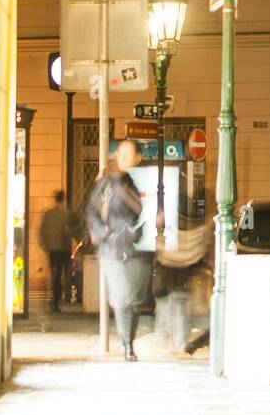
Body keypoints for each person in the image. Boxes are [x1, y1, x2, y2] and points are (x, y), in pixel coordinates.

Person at [84, 138, 151, 361]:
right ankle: (127, 345)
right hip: (111, 248)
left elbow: (141, 214)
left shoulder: (133, 182)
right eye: (121, 153)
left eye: (128, 154)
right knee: (122, 295)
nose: (123, 157)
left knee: (135, 300)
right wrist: (105, 234)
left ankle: (129, 343)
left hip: (131, 247)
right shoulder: (105, 183)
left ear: (137, 159)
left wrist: (136, 232)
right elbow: (91, 212)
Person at [154, 223, 209, 354]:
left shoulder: (164, 242)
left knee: (166, 316)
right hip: (174, 285)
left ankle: (166, 345)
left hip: (169, 285)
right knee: (174, 316)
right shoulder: (188, 245)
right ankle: (178, 346)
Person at [39, 190, 77, 312]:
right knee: (62, 275)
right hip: (64, 249)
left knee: (55, 275)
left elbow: (42, 233)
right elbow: (72, 230)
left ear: (55, 199)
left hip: (53, 250)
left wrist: (46, 246)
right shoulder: (67, 214)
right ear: (63, 199)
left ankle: (55, 300)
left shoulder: (48, 214)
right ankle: (57, 300)